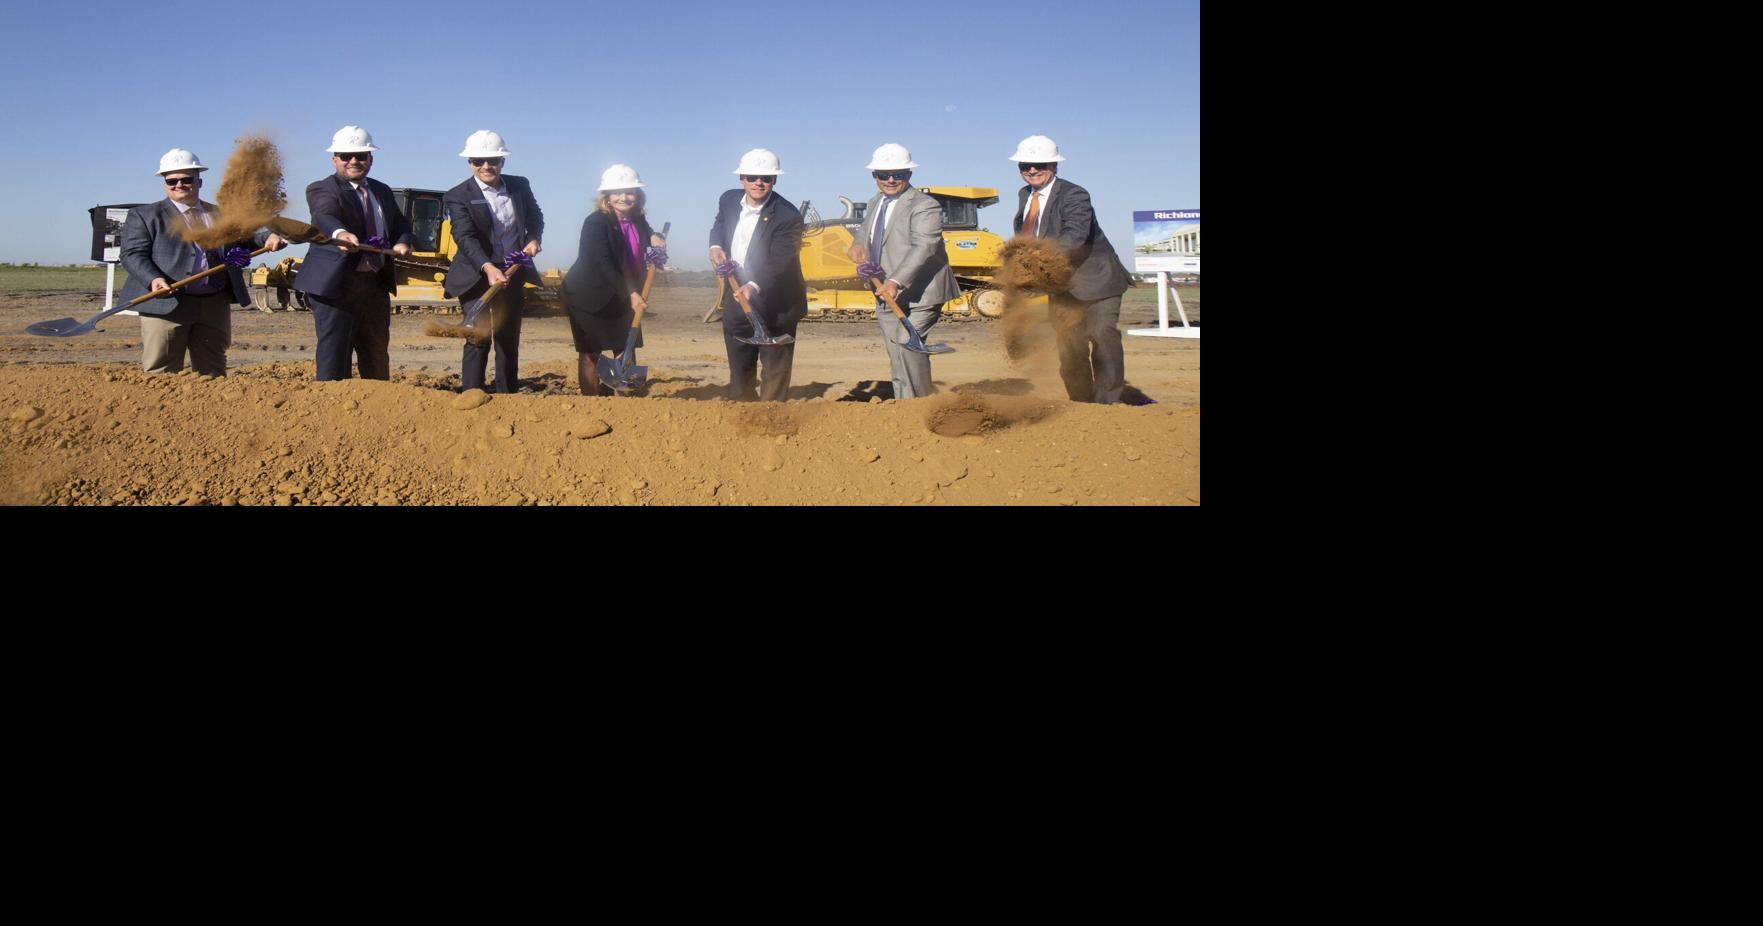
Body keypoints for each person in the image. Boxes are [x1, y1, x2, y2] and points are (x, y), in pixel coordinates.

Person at [118, 148, 287, 376]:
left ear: (199, 181)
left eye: (186, 179)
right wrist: (154, 279)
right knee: (161, 370)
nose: (179, 184)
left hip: (213, 305)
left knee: (213, 370)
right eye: (172, 180)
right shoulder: (145, 216)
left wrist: (267, 237)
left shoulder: (221, 214)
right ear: (164, 183)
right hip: (168, 304)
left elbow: (246, 238)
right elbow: (132, 254)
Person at [1009, 134, 1132, 404]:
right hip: (1061, 285)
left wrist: (1037, 265)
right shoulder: (1025, 195)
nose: (1032, 170)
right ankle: (1081, 404)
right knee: (1070, 347)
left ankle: (1107, 403)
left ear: (1054, 165)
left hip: (1096, 281)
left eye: (1039, 164)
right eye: (1025, 165)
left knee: (1102, 335)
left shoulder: (1074, 194)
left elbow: (1074, 237)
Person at [291, 125, 413, 381]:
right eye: (346, 156)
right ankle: (333, 410)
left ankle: (376, 408)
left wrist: (402, 242)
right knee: (335, 355)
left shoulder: (382, 190)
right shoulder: (322, 188)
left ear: (371, 159)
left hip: (374, 285)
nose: (354, 161)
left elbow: (400, 223)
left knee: (376, 354)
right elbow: (324, 215)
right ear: (334, 159)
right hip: (336, 286)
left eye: (361, 156)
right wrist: (340, 234)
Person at [847, 143, 959, 399]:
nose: (889, 180)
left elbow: (924, 246)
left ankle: (918, 405)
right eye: (882, 174)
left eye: (897, 174)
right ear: (873, 175)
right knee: (897, 351)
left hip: (921, 291)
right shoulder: (877, 201)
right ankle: (905, 405)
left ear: (909, 174)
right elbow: (866, 230)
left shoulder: (924, 205)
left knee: (907, 346)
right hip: (883, 290)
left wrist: (896, 281)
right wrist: (857, 243)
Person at [442, 130, 544, 394]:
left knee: (507, 337)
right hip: (476, 273)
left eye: (493, 161)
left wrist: (533, 237)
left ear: (503, 162)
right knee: (478, 335)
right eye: (479, 161)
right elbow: (464, 236)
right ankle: (472, 393)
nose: (486, 166)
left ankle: (506, 394)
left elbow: (535, 216)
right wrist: (487, 267)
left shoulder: (519, 186)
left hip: (512, 270)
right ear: (470, 163)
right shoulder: (458, 195)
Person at [707, 148, 807, 401]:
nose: (758, 183)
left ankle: (771, 414)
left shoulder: (788, 216)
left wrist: (753, 285)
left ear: (775, 180)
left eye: (766, 178)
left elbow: (780, 259)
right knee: (740, 363)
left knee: (775, 368)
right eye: (752, 177)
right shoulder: (729, 200)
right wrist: (716, 246)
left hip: (776, 302)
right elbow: (720, 224)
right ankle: (742, 406)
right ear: (742, 178)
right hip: (736, 295)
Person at [564, 164, 665, 396]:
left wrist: (654, 237)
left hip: (624, 293)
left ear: (637, 195)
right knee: (591, 353)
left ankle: (625, 402)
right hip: (589, 296)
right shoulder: (596, 222)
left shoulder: (637, 219)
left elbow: (646, 232)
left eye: (629, 192)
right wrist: (630, 293)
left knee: (625, 349)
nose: (623, 198)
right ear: (606, 197)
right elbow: (602, 263)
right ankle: (592, 402)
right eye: (617, 192)